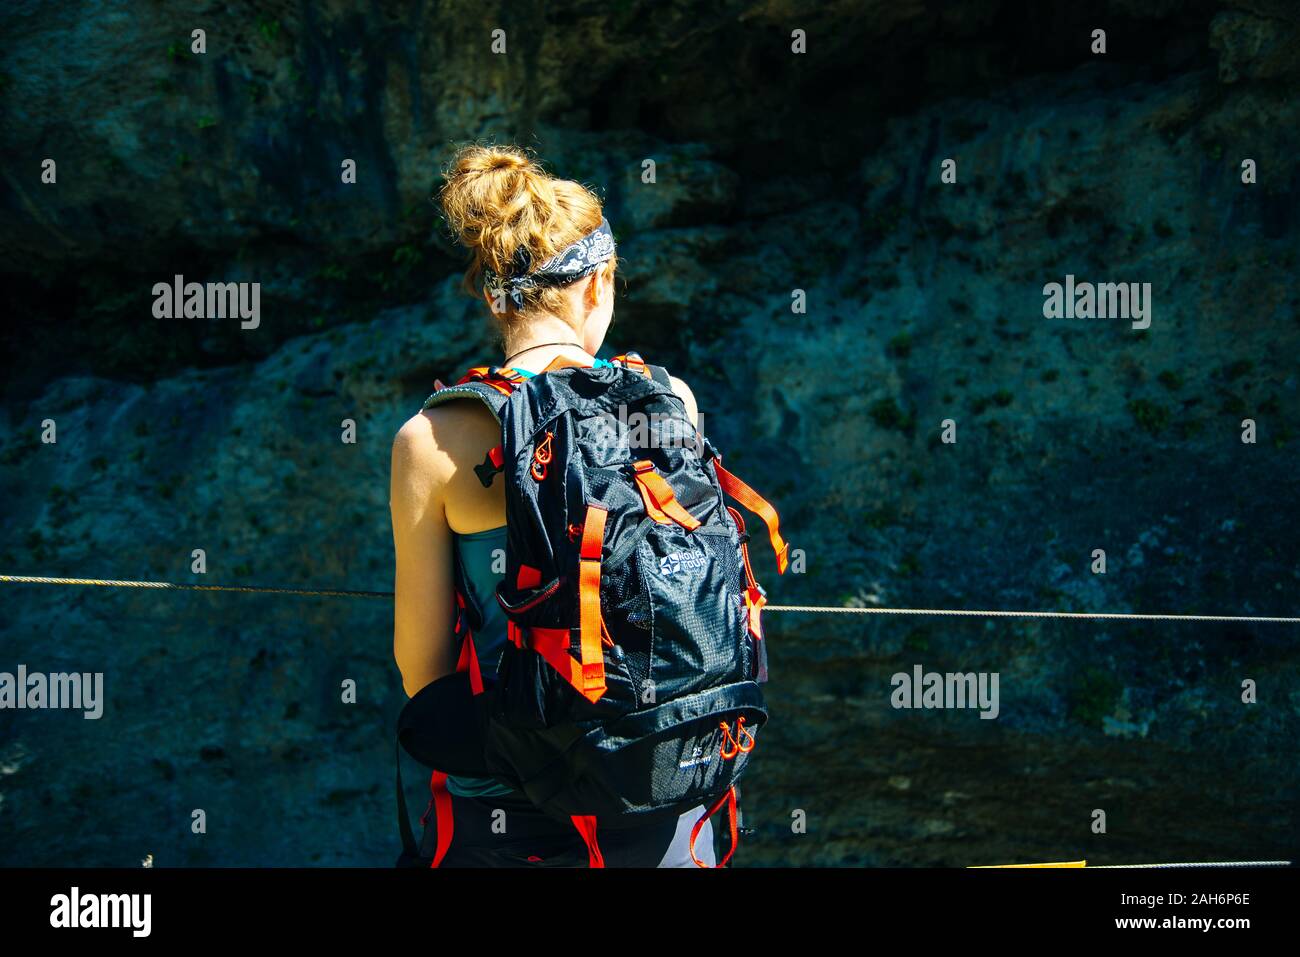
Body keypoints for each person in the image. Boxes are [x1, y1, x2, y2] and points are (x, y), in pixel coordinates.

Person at [390, 144, 714, 866]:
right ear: (599, 284)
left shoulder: (434, 439)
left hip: (512, 807)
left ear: (491, 296)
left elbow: (421, 669)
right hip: (663, 785)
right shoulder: (670, 403)